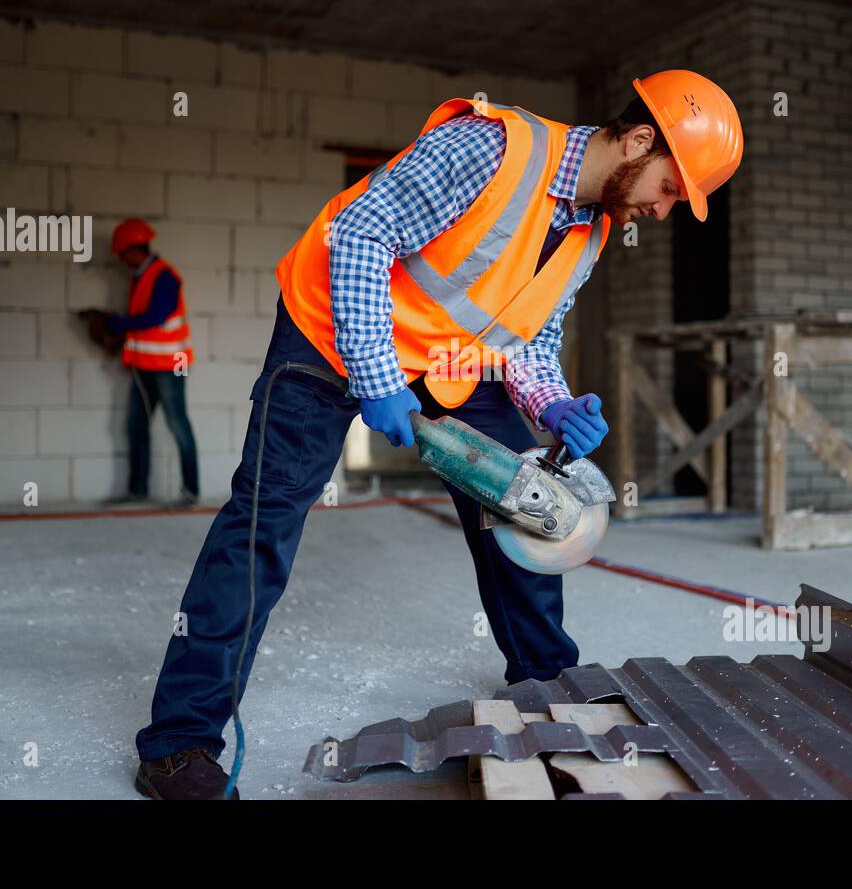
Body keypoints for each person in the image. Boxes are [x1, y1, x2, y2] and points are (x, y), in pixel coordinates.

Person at [133, 70, 743, 798]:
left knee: (527, 500)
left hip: (450, 361)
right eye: (673, 188)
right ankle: (178, 744)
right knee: (263, 520)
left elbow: (529, 339)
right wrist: (376, 373)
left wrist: (551, 404)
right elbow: (356, 236)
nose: (667, 209)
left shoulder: (593, 230)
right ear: (641, 140)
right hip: (330, 332)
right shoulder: (490, 149)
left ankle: (547, 683)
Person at [95, 218, 200, 508]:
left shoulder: (164, 276)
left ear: (132, 249)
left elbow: (156, 316)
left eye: (122, 252)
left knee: (178, 425)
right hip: (144, 365)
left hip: (169, 365)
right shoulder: (140, 276)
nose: (120, 259)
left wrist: (116, 323)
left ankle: (190, 492)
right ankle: (137, 490)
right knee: (136, 426)